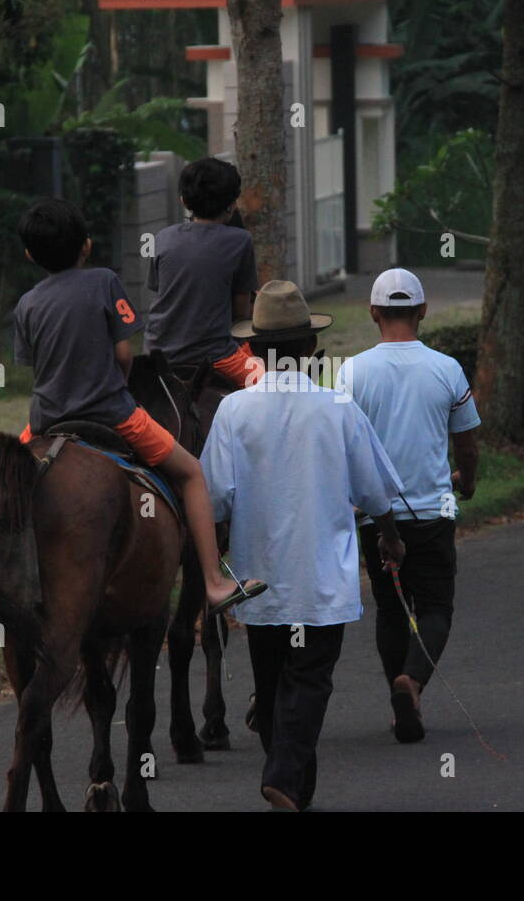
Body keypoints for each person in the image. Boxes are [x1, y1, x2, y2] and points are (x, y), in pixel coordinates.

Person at [200, 279, 406, 811]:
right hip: (319, 581)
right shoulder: (337, 406)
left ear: (251, 350)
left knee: (270, 685)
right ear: (311, 348)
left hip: (258, 579)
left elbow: (215, 500)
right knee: (309, 682)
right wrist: (390, 534)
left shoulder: (233, 413)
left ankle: (292, 786)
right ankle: (285, 779)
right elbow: (376, 491)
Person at [11, 197, 263, 615]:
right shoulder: (105, 281)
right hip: (114, 414)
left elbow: (36, 366)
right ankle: (216, 584)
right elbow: (125, 355)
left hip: (46, 422)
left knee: (12, 481)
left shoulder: (27, 304)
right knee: (192, 474)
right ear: (86, 246)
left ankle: (18, 586)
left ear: (30, 255)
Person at [335, 268, 481, 743]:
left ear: (373, 312)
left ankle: (401, 706)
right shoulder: (447, 370)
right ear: (423, 311)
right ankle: (412, 682)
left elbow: (346, 447)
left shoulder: (351, 371)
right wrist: (468, 481)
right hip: (432, 513)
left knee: (391, 609)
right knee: (436, 606)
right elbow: (466, 443)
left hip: (376, 518)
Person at [144, 157, 263, 388]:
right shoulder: (240, 241)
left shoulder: (163, 238)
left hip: (156, 354)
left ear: (183, 201)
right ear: (232, 204)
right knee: (274, 391)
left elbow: (160, 292)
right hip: (217, 356)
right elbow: (240, 315)